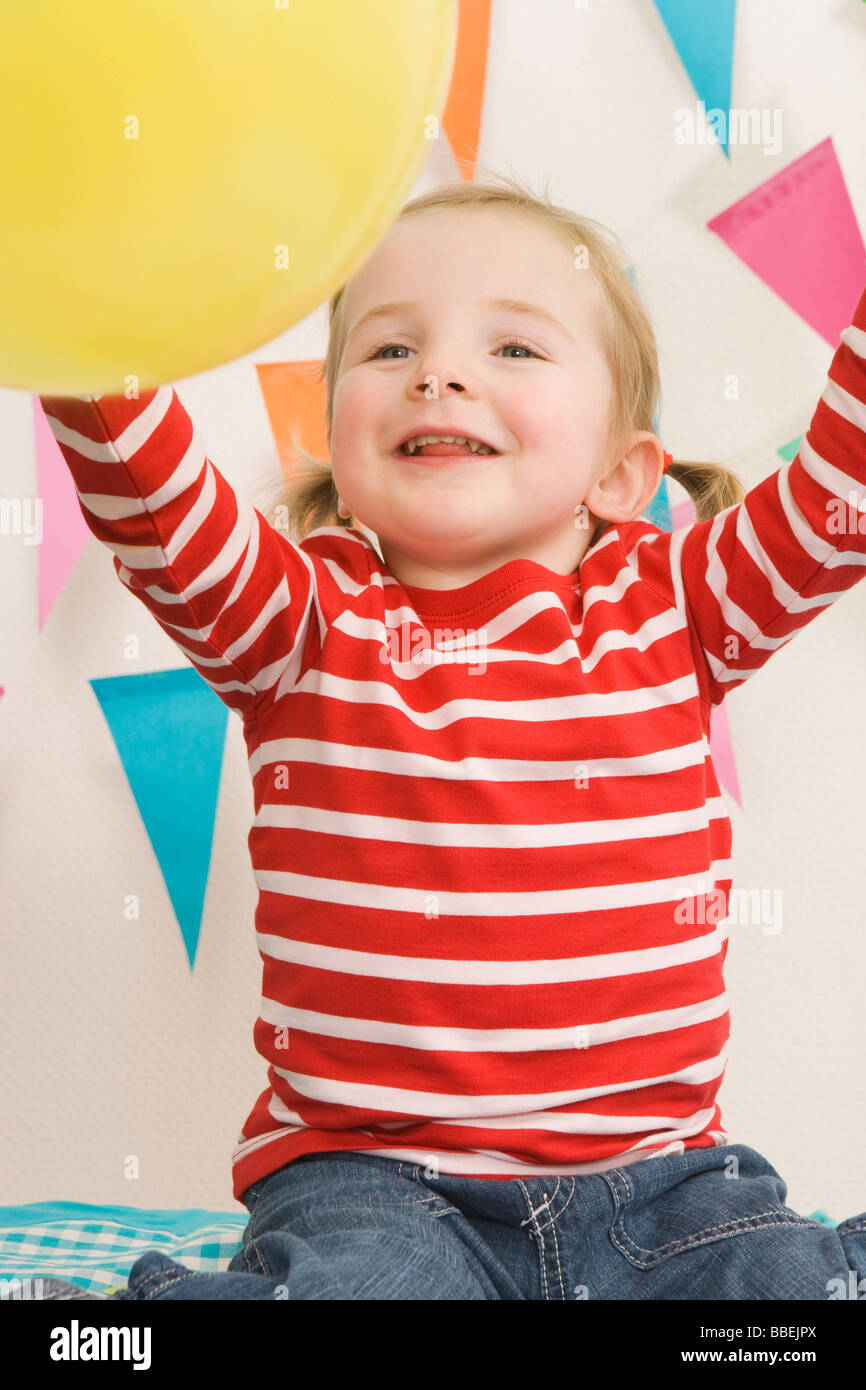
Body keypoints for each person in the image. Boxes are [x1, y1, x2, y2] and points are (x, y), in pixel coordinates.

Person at [35, 176, 866, 1300]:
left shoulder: (676, 604)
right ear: (331, 434)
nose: (439, 372)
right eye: (386, 351)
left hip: (664, 1195)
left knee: (788, 1297)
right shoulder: (297, 621)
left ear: (623, 472)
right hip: (376, 1191)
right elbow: (152, 500)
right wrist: (75, 297)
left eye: (514, 349)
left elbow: (836, 492)